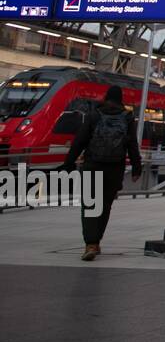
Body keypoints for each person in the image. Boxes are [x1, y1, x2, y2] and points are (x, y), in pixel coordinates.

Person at [60, 84, 141, 261]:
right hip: (115, 168)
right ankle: (96, 242)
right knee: (105, 205)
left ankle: (91, 243)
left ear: (105, 97)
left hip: (92, 164)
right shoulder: (127, 117)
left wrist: (68, 163)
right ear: (121, 99)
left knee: (90, 205)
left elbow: (79, 141)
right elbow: (132, 145)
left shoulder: (94, 115)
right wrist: (137, 168)